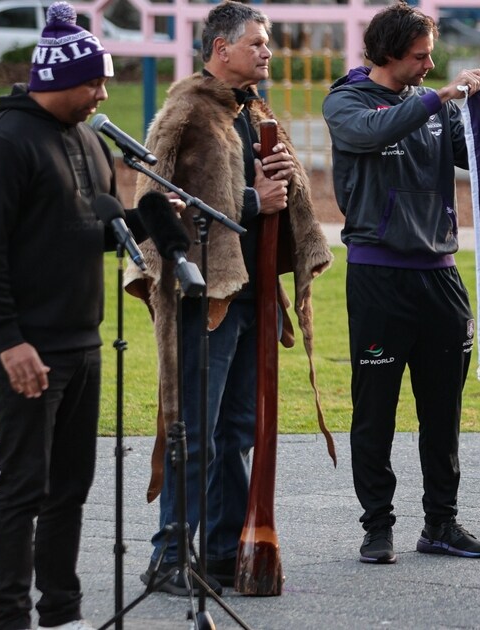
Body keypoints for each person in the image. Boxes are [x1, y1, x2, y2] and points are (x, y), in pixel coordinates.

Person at [124, 0, 331, 593]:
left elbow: (272, 192)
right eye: (258, 43)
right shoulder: (185, 113)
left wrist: (280, 185)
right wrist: (250, 200)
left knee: (238, 430)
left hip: (251, 292)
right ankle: (168, 558)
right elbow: (154, 202)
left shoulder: (252, 109)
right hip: (204, 295)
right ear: (221, 49)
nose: (268, 52)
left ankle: (219, 552)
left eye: (267, 43)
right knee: (195, 430)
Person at [0, 4, 134, 628]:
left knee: (70, 489)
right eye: (94, 82)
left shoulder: (89, 141)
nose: (102, 93)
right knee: (24, 488)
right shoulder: (5, 145)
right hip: (26, 349)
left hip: (81, 342)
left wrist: (145, 222)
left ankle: (60, 613)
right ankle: (10, 617)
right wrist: (8, 341)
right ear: (59, 80)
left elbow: (90, 229)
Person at [323, 1, 480, 565]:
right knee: (374, 409)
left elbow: (475, 155)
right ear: (390, 53)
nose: (429, 64)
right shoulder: (345, 101)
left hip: (439, 278)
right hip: (379, 278)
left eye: (431, 56)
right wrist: (439, 97)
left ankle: (441, 525)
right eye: (420, 56)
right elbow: (374, 130)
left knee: (442, 411)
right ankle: (377, 526)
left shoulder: (432, 107)